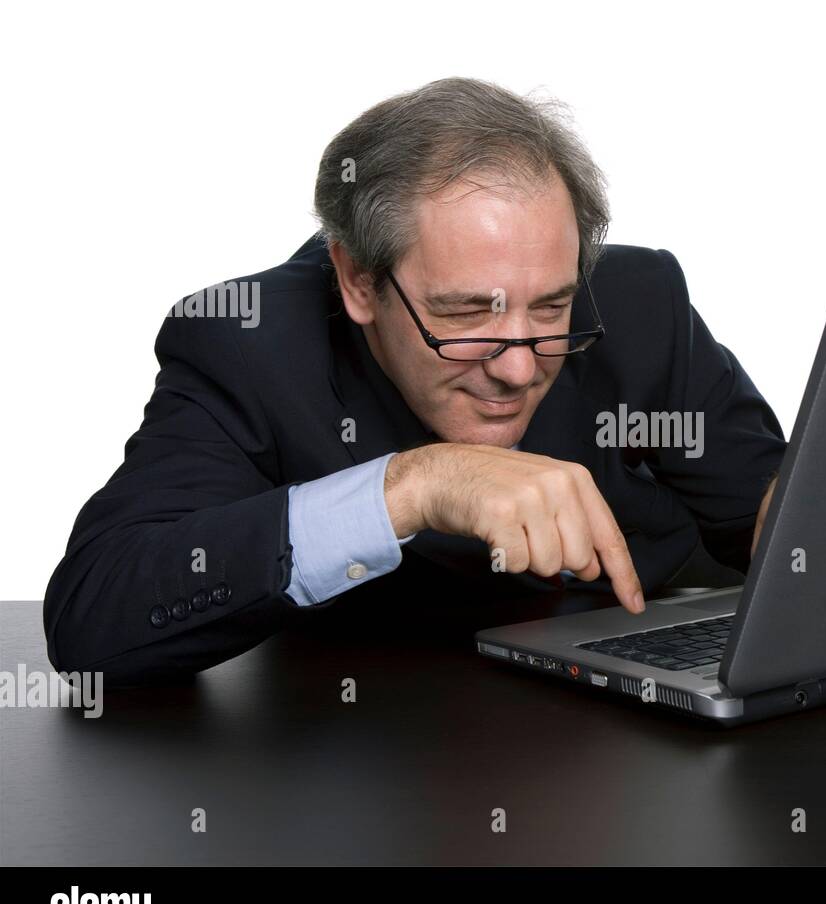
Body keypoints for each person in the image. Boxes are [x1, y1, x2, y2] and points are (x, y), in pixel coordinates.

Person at [44, 77, 786, 686]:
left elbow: (770, 513)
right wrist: (415, 486)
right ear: (359, 282)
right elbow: (93, 617)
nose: (520, 369)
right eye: (466, 315)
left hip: (640, 733)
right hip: (356, 757)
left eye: (553, 307)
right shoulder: (248, 347)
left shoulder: (638, 299)